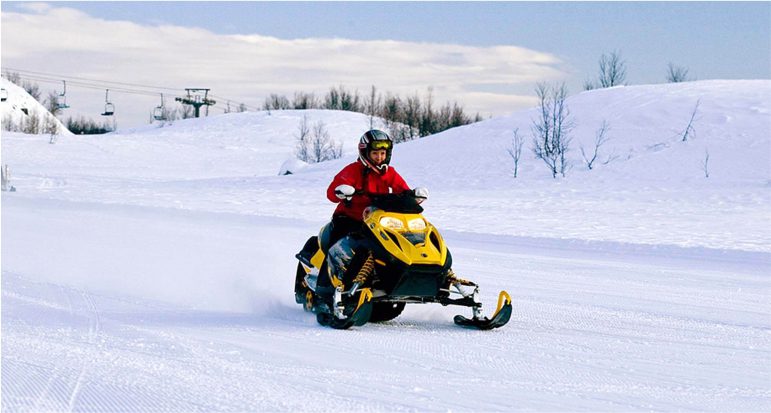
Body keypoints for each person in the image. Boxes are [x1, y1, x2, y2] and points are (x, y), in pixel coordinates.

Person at [325, 129, 412, 246]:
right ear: (365, 153)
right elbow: (331, 194)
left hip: (378, 220)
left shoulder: (389, 172)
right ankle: (328, 263)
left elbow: (402, 189)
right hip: (351, 218)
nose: (379, 157)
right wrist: (341, 191)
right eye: (375, 153)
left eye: (382, 153)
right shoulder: (353, 170)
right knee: (338, 243)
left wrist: (412, 197)